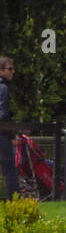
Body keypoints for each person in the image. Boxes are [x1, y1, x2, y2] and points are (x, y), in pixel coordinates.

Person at [0, 56, 17, 200]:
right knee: (10, 168)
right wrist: (12, 136)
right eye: (10, 69)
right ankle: (14, 201)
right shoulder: (4, 88)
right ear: (1, 71)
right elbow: (3, 113)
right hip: (2, 134)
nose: (13, 72)